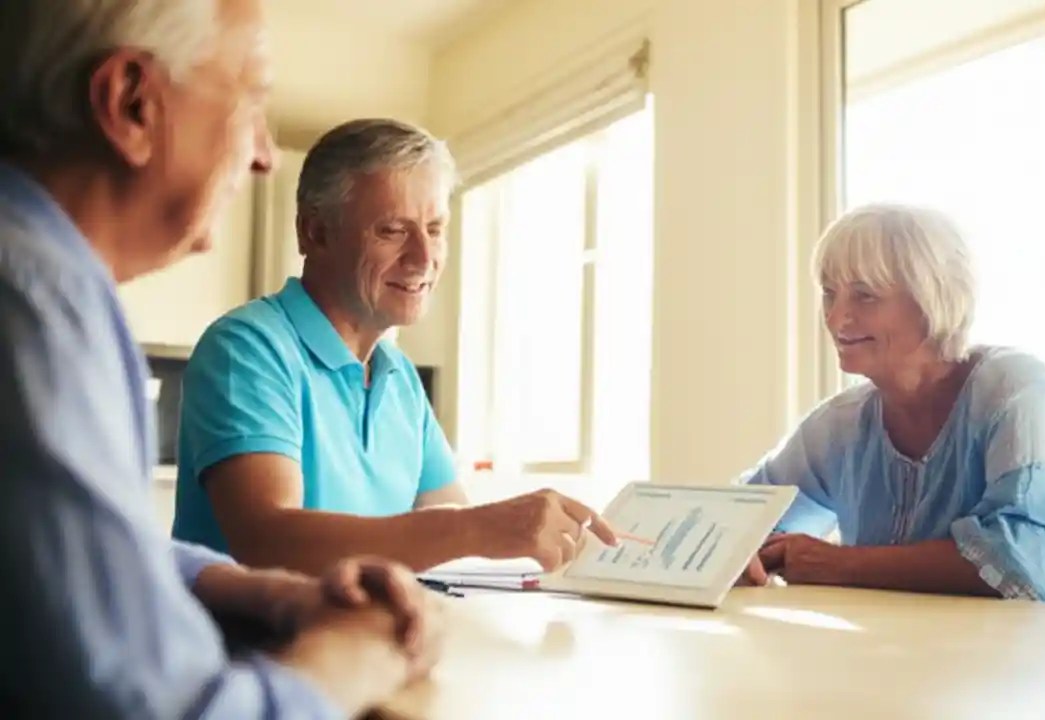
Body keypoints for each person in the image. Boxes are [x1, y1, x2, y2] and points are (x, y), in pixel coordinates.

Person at [0, 0, 446, 716]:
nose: (265, 154)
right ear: (133, 104)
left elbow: (89, 559)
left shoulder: (49, 281)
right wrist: (353, 656)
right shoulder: (35, 302)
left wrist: (271, 591)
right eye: (252, 101)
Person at [172, 118, 617, 574]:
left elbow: (445, 529)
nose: (424, 258)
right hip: (250, 644)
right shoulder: (247, 348)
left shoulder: (398, 375)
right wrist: (477, 529)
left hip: (364, 640)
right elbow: (268, 541)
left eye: (435, 228)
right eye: (392, 231)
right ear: (315, 232)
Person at [738, 203, 1045, 607]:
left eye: (865, 295)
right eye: (829, 293)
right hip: (931, 658)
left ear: (931, 299)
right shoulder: (840, 425)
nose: (837, 317)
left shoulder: (1012, 387)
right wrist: (737, 552)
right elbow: (734, 521)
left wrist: (838, 564)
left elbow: (1025, 557)